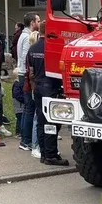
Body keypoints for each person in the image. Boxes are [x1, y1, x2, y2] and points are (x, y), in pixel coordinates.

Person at [27, 34, 69, 166]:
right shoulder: (53, 47)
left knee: (41, 120)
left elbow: (30, 69)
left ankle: (44, 153)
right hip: (51, 87)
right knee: (52, 122)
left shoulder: (32, 48)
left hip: (38, 86)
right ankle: (51, 154)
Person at [14, 13, 42, 152]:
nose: (39, 22)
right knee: (30, 108)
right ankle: (26, 140)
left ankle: (25, 139)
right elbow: (26, 57)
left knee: (27, 108)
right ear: (32, 22)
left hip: (23, 74)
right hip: (26, 76)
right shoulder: (27, 37)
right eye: (38, 20)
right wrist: (29, 76)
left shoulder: (23, 35)